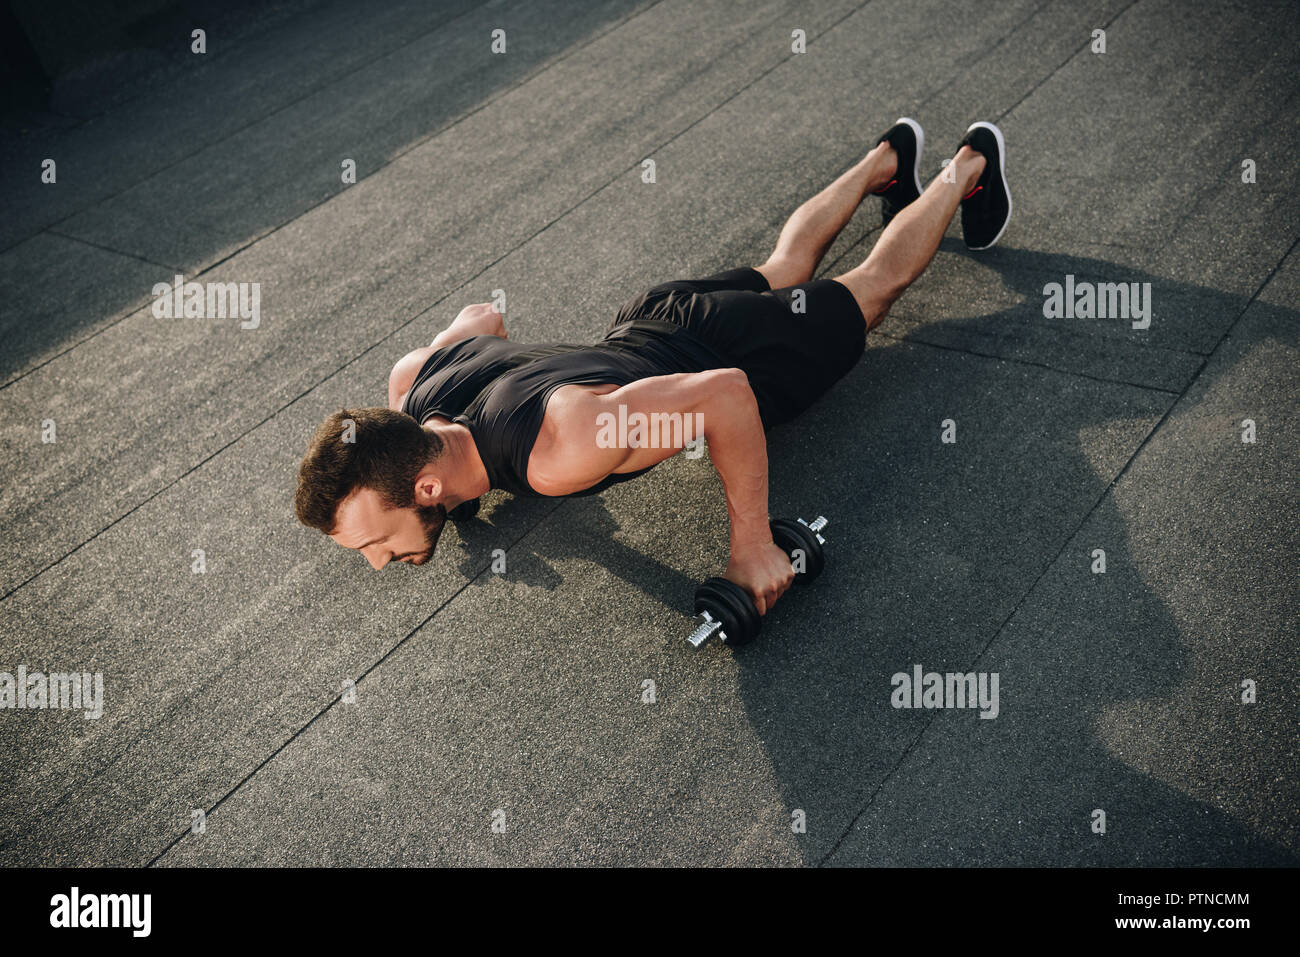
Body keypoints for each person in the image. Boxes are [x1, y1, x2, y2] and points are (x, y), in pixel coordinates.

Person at [294, 118, 1012, 615]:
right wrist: (454, 494)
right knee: (784, 266)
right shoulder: (412, 386)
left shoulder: (558, 449)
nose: (377, 562)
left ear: (421, 482)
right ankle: (887, 158)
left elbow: (726, 398)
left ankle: (968, 165)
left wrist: (752, 544)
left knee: (871, 289)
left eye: (375, 542)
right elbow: (482, 319)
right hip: (649, 317)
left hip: (729, 356)